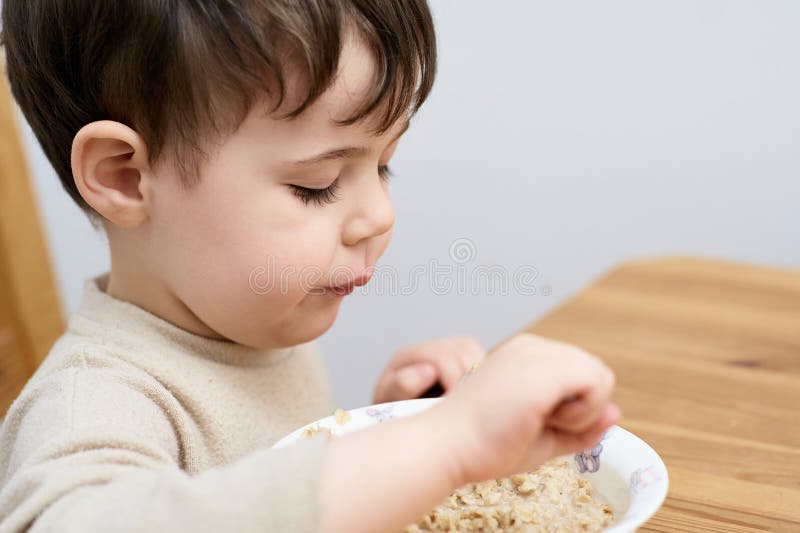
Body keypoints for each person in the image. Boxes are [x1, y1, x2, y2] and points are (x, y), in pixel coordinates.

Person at [0, 1, 620, 531]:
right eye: (317, 185)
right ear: (126, 176)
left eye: (383, 166)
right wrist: (443, 444)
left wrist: (388, 424)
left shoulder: (249, 324)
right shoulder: (93, 403)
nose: (379, 215)